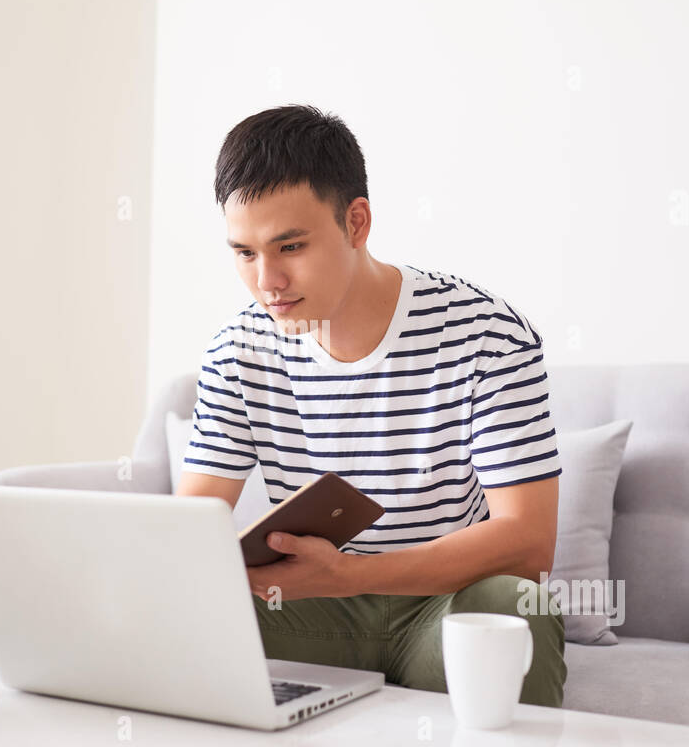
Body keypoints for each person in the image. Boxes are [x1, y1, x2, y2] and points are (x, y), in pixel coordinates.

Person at [175, 104, 566, 706]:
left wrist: (346, 574)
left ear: (356, 223)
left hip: (446, 603)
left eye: (291, 246)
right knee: (163, 620)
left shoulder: (484, 332)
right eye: (245, 254)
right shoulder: (238, 349)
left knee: (515, 605)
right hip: (307, 609)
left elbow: (529, 543)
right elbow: (187, 529)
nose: (268, 281)